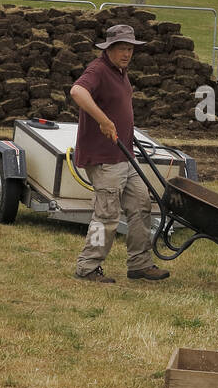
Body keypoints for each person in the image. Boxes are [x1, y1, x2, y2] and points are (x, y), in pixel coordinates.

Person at [69, 23, 170, 283]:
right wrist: (103, 120)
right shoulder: (98, 70)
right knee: (106, 216)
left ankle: (140, 263)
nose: (127, 53)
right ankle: (88, 267)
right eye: (121, 48)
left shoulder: (120, 72)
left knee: (141, 206)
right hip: (104, 160)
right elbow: (77, 91)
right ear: (109, 49)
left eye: (130, 49)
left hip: (125, 155)